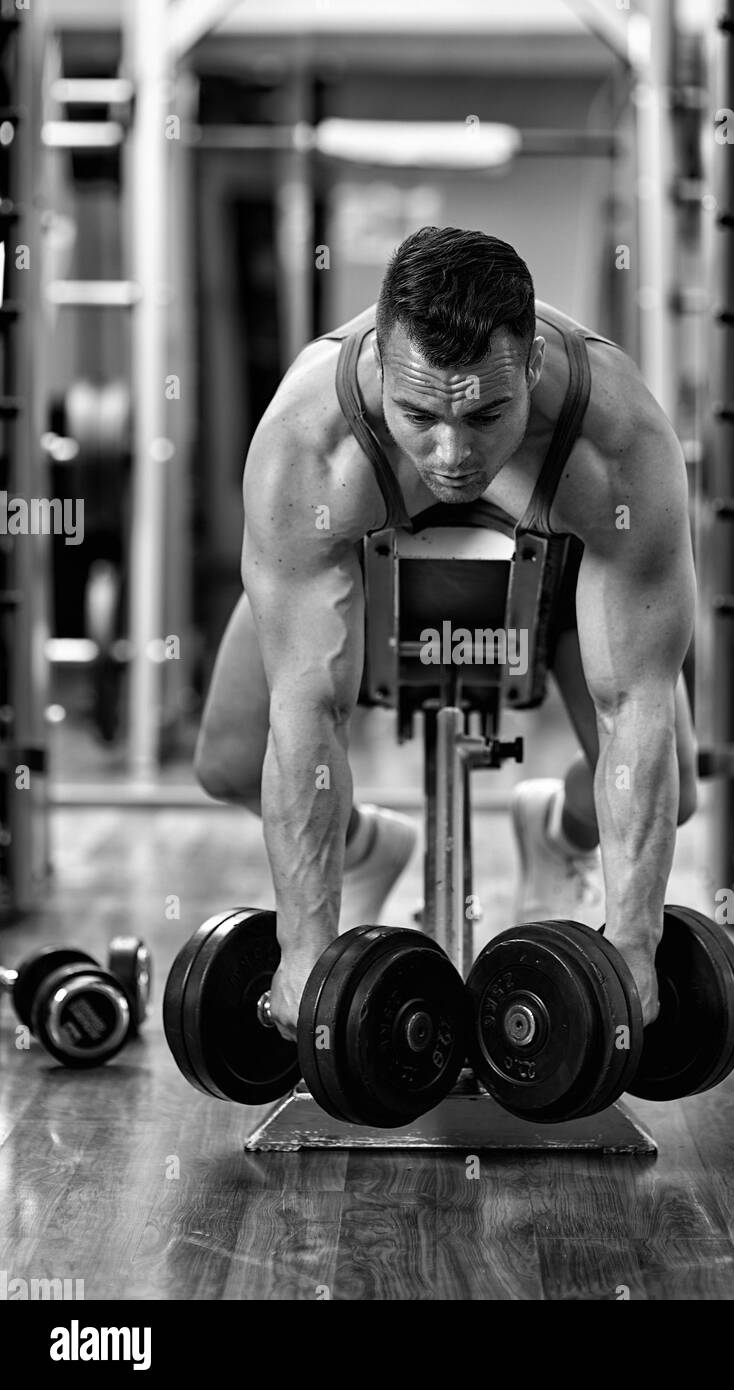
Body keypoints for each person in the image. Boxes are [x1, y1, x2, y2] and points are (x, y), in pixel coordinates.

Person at [194, 226, 697, 1039]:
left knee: (668, 799)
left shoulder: (619, 440)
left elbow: (635, 701)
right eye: (420, 413)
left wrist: (635, 946)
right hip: (345, 548)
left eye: (488, 414)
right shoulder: (307, 447)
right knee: (226, 765)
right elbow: (310, 709)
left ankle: (555, 832)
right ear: (381, 368)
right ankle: (363, 849)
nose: (454, 453)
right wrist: (303, 950)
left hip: (562, 565)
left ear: (533, 363)